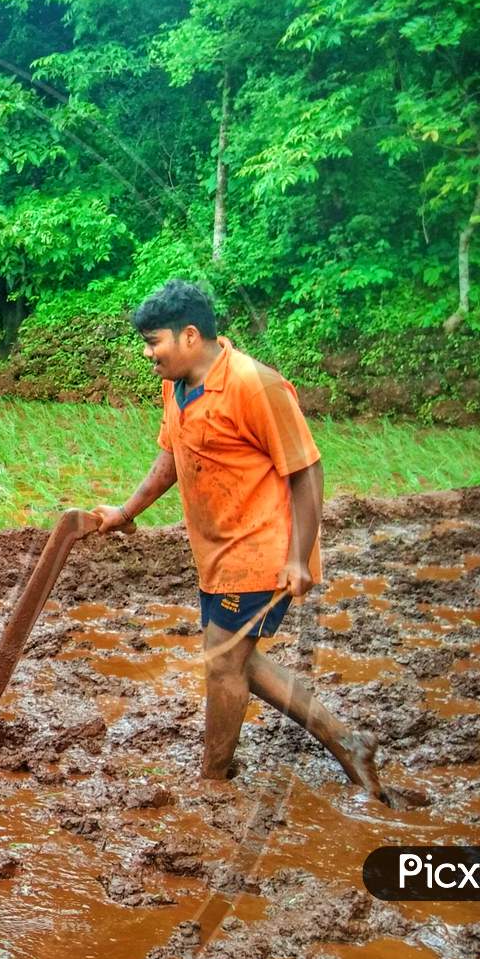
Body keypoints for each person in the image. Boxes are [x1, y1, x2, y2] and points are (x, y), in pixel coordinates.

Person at [93, 280, 381, 796]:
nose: (146, 352)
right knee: (238, 657)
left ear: (189, 335)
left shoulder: (255, 385)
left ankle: (213, 779)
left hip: (262, 548)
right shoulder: (177, 384)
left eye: (152, 341)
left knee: (224, 662)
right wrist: (125, 511)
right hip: (217, 552)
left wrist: (298, 559)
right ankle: (347, 741)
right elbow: (172, 457)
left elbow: (307, 472)